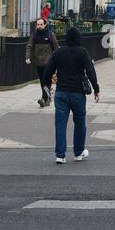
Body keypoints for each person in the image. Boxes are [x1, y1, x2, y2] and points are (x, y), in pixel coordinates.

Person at [43, 27, 100, 164]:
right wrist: (96, 89)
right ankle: (78, 153)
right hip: (78, 93)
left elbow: (48, 71)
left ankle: (60, 155)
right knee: (80, 122)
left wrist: (47, 87)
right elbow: (90, 71)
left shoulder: (58, 53)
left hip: (62, 92)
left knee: (60, 124)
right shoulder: (82, 52)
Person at [29, 17, 58, 107]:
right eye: (38, 25)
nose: (39, 26)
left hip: (48, 63)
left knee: (46, 80)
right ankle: (47, 98)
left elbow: (56, 48)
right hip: (38, 62)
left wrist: (57, 61)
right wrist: (27, 57)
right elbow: (29, 46)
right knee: (42, 81)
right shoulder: (34, 35)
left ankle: (44, 98)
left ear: (45, 25)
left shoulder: (50, 34)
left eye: (41, 24)